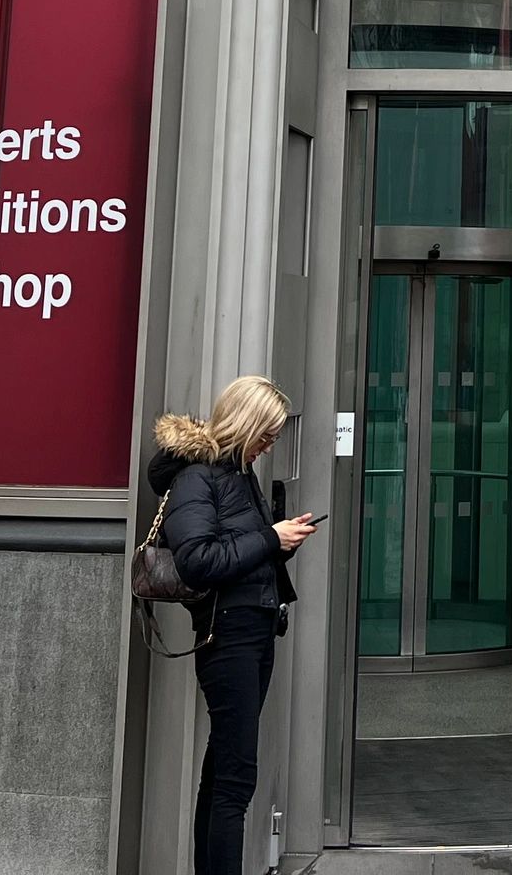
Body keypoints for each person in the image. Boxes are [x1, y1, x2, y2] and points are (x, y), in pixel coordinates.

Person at [150, 374, 318, 875]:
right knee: (235, 780)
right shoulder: (196, 478)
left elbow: (239, 552)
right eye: (266, 434)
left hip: (253, 630)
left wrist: (281, 540)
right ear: (244, 425)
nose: (270, 445)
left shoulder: (239, 474)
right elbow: (197, 561)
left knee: (223, 770)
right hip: (228, 636)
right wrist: (270, 538)